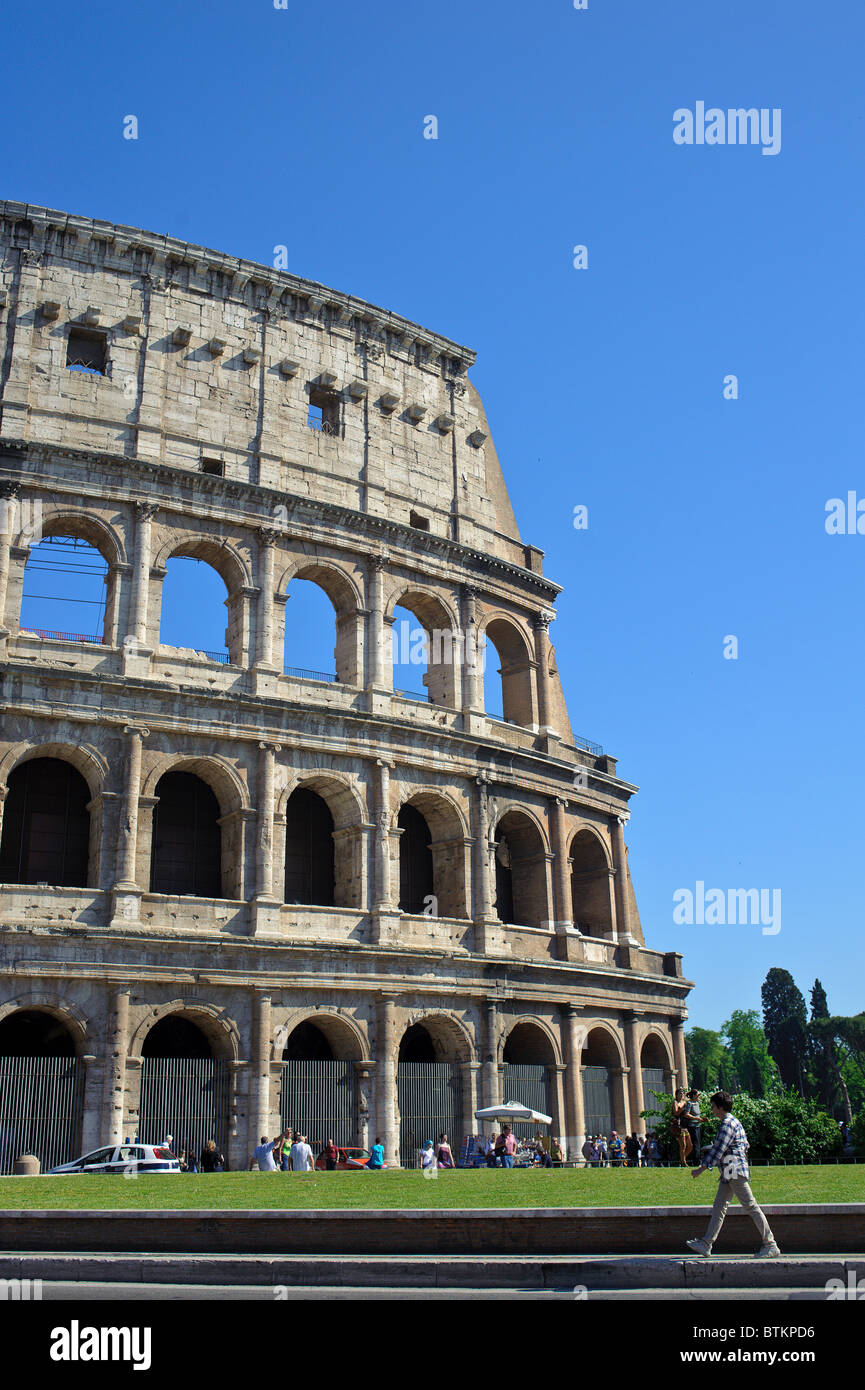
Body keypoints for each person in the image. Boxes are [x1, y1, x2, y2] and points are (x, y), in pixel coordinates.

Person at [686, 1091, 780, 1258]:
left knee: (750, 1206)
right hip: (730, 1169)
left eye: (713, 1106)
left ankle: (770, 1244)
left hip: (733, 1169)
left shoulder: (727, 1124)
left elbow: (718, 1149)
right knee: (719, 1207)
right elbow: (745, 1145)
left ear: (721, 1107)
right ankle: (706, 1243)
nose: (712, 1109)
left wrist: (700, 1169)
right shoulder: (734, 1122)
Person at [671, 1087, 693, 1165]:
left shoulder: (685, 1102)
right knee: (683, 1145)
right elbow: (676, 1113)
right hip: (678, 1125)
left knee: (690, 1145)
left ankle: (682, 1159)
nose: (682, 1095)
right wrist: (683, 1108)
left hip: (685, 1125)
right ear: (676, 1095)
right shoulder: (675, 1103)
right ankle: (683, 1162)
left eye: (683, 1093)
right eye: (680, 1093)